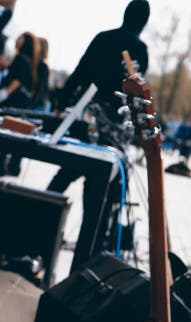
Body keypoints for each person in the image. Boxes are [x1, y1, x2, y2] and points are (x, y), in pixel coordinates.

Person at [48, 0, 151, 272]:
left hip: (88, 120)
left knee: (64, 174)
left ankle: (36, 223)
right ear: (144, 23)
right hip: (115, 134)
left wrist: (62, 102)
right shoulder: (141, 51)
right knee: (100, 197)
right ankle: (87, 263)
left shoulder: (104, 38)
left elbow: (80, 71)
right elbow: (136, 93)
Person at [0, 32, 39, 176]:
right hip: (19, 104)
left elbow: (17, 79)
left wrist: (5, 93)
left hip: (12, 102)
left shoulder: (21, 58)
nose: (17, 39)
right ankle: (10, 167)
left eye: (20, 37)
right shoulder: (28, 60)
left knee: (5, 135)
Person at [32, 37, 50, 111]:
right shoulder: (37, 64)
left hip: (37, 105)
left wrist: (31, 105)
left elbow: (40, 88)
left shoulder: (42, 66)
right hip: (37, 103)